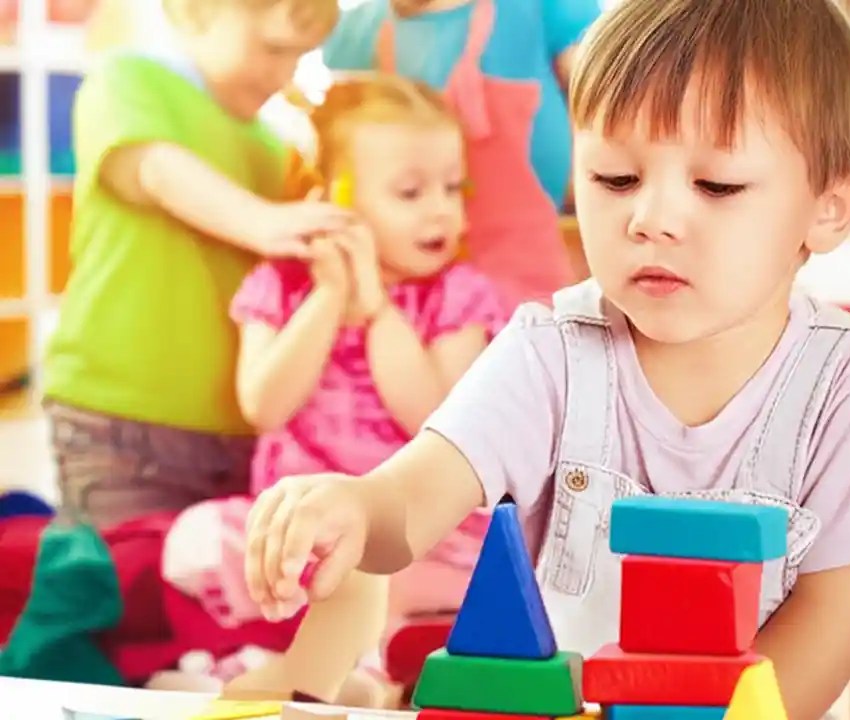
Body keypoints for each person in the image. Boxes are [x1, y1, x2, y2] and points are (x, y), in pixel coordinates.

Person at [244, 1, 850, 718]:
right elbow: (415, 496)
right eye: (615, 179)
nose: (651, 218)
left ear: (829, 207)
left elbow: (829, 630)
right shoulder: (550, 349)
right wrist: (356, 506)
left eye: (716, 185)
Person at [221, 73, 510, 701]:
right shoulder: (281, 288)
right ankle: (287, 662)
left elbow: (435, 414)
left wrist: (377, 309)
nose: (441, 208)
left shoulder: (458, 297)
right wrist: (331, 295)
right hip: (304, 527)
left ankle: (368, 673)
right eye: (410, 191)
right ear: (337, 197)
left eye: (452, 187)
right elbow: (264, 406)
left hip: (411, 534)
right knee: (197, 545)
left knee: (392, 583)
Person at [40, 0, 348, 528]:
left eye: (298, 57)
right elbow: (156, 170)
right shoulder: (129, 79)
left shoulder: (273, 149)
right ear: (193, 11)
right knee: (118, 586)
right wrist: (263, 220)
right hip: (119, 424)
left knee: (199, 601)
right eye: (273, 49)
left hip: (236, 439)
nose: (284, 75)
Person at [320, 0, 602, 306]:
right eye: (409, 191)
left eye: (455, 187)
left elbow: (614, 114)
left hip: (527, 276)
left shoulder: (537, 8)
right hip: (409, 297)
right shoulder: (353, 38)